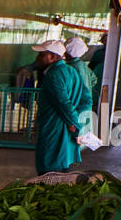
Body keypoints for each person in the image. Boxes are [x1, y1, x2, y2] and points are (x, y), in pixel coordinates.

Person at [31, 39, 85, 175]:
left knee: (50, 170)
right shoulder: (71, 71)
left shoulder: (54, 75)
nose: (37, 58)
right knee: (62, 165)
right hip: (65, 127)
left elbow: (63, 103)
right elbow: (85, 99)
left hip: (54, 127)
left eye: (41, 55)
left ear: (53, 57)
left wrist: (74, 124)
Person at [64, 36, 98, 134]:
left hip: (75, 104)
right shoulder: (83, 66)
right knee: (82, 131)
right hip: (85, 104)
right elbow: (94, 80)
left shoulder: (69, 68)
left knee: (73, 131)